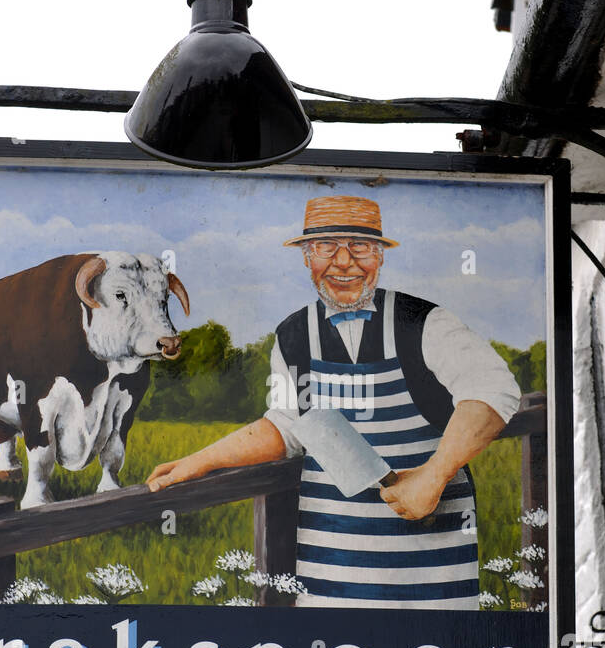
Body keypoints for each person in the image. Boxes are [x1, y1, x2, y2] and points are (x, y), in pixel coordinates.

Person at [146, 195, 520, 609]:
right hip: (329, 570)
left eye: (359, 247)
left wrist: (434, 476)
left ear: (379, 256)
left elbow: (492, 391)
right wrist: (199, 461)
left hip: (432, 573)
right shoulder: (292, 335)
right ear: (308, 258)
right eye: (327, 248)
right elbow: (288, 426)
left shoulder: (425, 323)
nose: (344, 263)